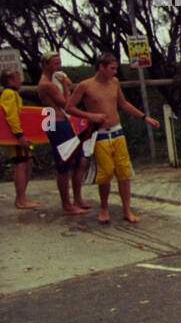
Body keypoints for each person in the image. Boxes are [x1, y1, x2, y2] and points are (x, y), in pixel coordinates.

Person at [65, 53, 160, 224]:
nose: (115, 72)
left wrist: (145, 117)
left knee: (124, 172)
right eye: (112, 68)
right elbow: (70, 107)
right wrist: (89, 116)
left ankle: (127, 209)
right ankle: (104, 207)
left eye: (116, 68)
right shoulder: (85, 86)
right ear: (101, 67)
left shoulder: (114, 83)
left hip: (117, 132)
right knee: (106, 172)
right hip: (99, 134)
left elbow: (123, 104)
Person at [36, 51, 91, 215]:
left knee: (80, 160)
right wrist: (66, 88)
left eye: (59, 63)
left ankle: (77, 198)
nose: (58, 67)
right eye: (55, 63)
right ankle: (67, 204)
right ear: (46, 65)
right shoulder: (47, 84)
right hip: (56, 121)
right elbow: (66, 104)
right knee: (64, 163)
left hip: (59, 120)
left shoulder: (54, 80)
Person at [1, 68, 41, 209]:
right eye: (18, 78)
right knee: (21, 164)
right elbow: (11, 116)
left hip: (18, 134)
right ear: (11, 80)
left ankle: (22, 197)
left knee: (27, 162)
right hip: (15, 137)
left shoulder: (12, 94)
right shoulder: (9, 94)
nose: (21, 81)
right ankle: (20, 200)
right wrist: (19, 136)